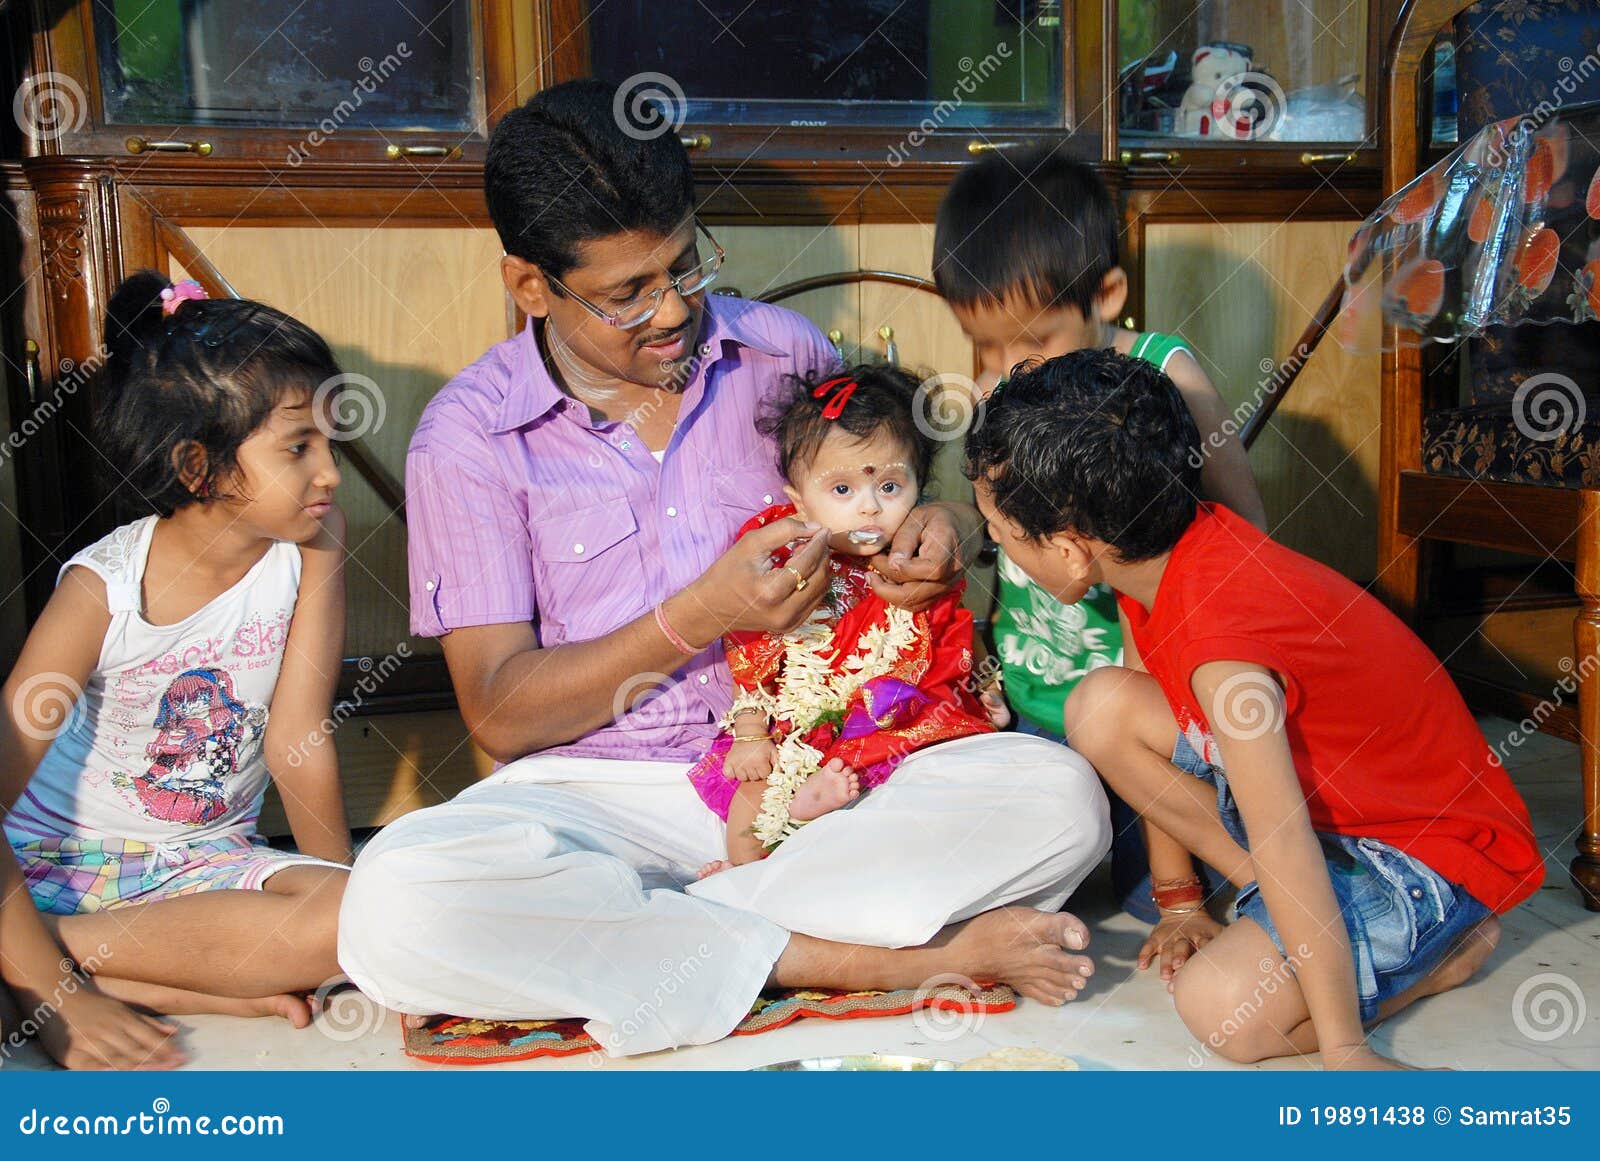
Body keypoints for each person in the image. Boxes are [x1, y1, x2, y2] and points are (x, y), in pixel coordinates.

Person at [337, 80, 1112, 1056]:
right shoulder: (468, 439)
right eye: (628, 294)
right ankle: (861, 960)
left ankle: (672, 931)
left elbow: (889, 497)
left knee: (1058, 800)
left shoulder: (784, 354)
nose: (670, 313)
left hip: (824, 768)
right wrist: (697, 613)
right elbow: (496, 708)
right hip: (595, 801)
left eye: (684, 267)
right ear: (531, 285)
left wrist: (946, 522)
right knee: (395, 900)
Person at [964, 348, 1541, 1069]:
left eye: (1003, 535)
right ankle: (1309, 932)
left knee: (1221, 1010)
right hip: (1337, 814)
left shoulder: (1223, 646)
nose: (997, 547)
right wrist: (1180, 902)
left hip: (1426, 849)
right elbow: (1155, 710)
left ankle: (1444, 953)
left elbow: (1286, 838)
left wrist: (1344, 1048)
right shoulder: (1165, 549)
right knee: (1100, 707)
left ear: (1075, 550)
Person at [0, 274, 351, 1070]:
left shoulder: (312, 554)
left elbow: (298, 736)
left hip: (207, 865)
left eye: (329, 440)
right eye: (299, 447)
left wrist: (354, 922)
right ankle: (61, 970)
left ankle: (60, 959)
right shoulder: (102, 590)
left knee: (353, 917)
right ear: (199, 466)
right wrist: (65, 1007)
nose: (330, 471)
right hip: (61, 865)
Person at [933, 146, 1268, 919]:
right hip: (1034, 715)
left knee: (1167, 898)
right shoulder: (1000, 387)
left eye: (1034, 342)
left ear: (1107, 294)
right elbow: (992, 528)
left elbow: (1244, 534)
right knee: (983, 875)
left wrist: (1110, 568)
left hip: (1147, 711)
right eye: (985, 345)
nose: (1006, 369)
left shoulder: (1166, 374)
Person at [689, 364, 1004, 872]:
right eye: (842, 491)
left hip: (892, 716)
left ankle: (824, 839)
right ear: (798, 499)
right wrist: (750, 729)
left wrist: (982, 691)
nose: (869, 510)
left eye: (889, 487)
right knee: (754, 787)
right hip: (796, 720)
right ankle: (746, 866)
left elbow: (952, 633)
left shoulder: (918, 556)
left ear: (920, 488)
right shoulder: (782, 553)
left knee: (937, 783)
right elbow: (748, 641)